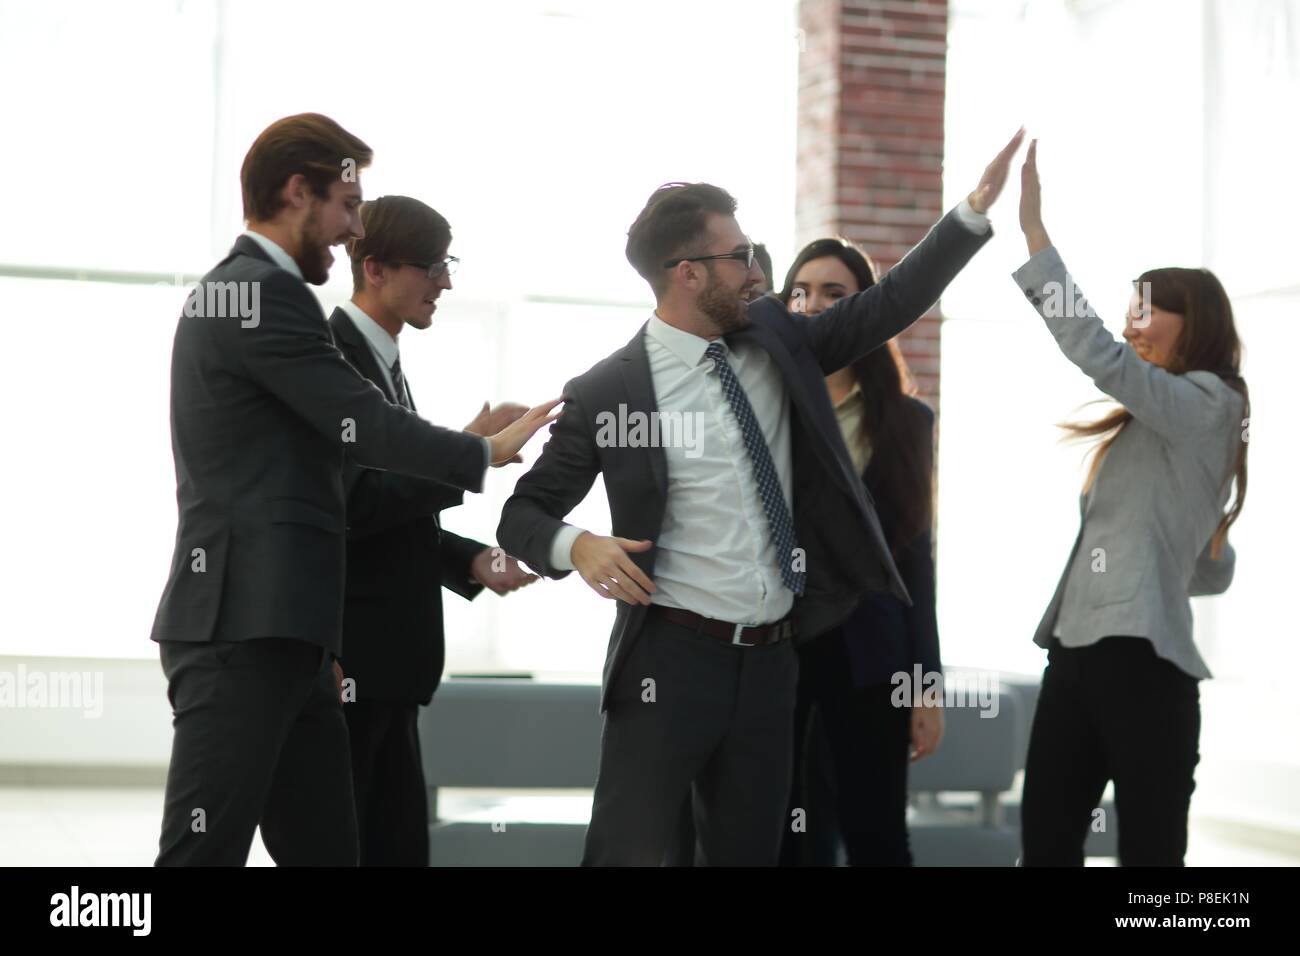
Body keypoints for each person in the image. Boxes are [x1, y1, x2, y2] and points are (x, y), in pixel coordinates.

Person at [497, 129, 1021, 866]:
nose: (756, 272)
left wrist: (970, 212)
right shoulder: (608, 390)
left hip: (773, 666)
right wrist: (577, 546)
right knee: (633, 854)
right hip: (669, 666)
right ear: (687, 273)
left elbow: (890, 304)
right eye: (739, 257)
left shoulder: (779, 340)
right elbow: (522, 513)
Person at [151, 114, 558, 866]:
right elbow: (359, 421)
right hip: (240, 630)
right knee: (201, 854)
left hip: (292, 636)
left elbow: (315, 487)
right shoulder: (256, 293)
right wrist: (480, 449)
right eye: (345, 205)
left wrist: (322, 641)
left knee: (334, 852)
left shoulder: (266, 294)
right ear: (297, 191)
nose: (350, 230)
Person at [1014, 140, 1248, 866]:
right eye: (1129, 312)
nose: (1129, 325)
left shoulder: (1211, 401)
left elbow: (1095, 351)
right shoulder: (1156, 419)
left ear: (1193, 321)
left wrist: (1034, 238)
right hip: (1075, 656)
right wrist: (1191, 535)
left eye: (1145, 312)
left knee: (1151, 869)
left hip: (1142, 668)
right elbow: (1212, 571)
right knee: (1046, 849)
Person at [329, 195, 538, 866]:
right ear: (376, 268)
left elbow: (388, 509)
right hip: (351, 661)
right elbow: (353, 505)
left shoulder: (383, 361)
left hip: (391, 666)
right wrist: (473, 455)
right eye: (432, 266)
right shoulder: (333, 363)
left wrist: (471, 560)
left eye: (446, 264)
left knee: (394, 845)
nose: (445, 282)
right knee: (354, 843)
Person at [776, 238, 943, 866]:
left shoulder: (906, 421)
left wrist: (925, 684)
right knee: (787, 829)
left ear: (864, 310)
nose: (812, 304)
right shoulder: (767, 405)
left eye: (832, 293)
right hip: (779, 641)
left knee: (876, 831)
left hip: (872, 649)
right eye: (800, 291)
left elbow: (915, 558)